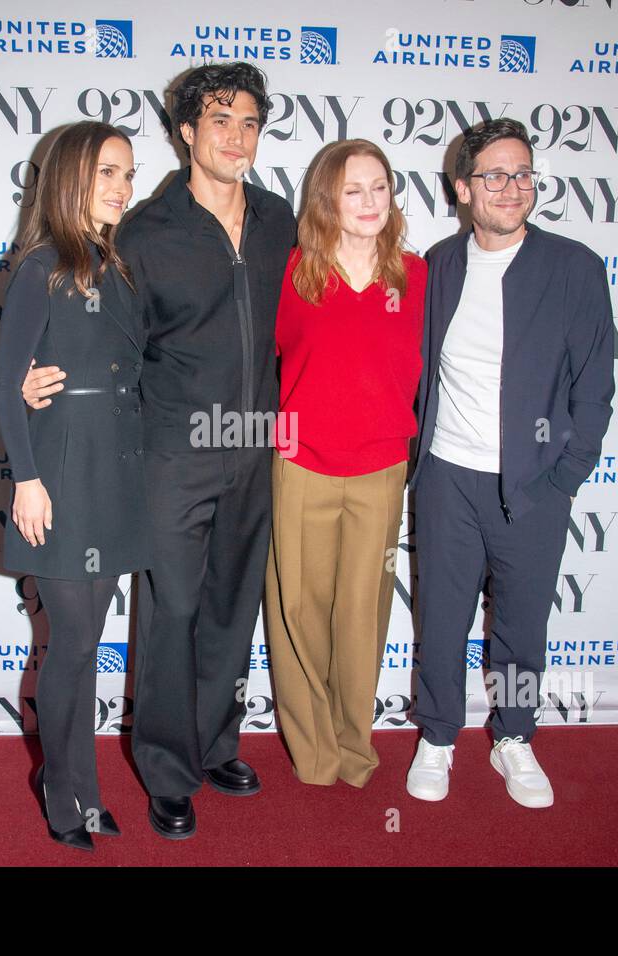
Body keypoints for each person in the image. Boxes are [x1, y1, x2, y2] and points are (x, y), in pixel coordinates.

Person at [21, 63, 297, 839]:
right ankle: (168, 771)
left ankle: (214, 746)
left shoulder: (280, 220)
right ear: (186, 131)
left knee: (231, 609)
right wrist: (42, 375)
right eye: (219, 121)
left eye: (248, 122)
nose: (236, 137)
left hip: (257, 443)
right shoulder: (144, 230)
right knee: (172, 611)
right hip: (173, 450)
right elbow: (102, 328)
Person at [406, 118, 614, 808]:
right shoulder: (437, 265)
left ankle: (514, 737)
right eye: (494, 175)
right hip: (445, 477)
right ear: (463, 187)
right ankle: (437, 736)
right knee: (441, 616)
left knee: (522, 622)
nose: (512, 187)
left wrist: (564, 477)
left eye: (522, 173)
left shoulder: (574, 267)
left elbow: (595, 386)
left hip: (533, 483)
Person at [0, 121, 149, 851]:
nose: (121, 187)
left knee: (87, 647)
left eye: (127, 173)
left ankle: (83, 787)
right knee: (73, 641)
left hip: (112, 473)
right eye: (106, 173)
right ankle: (62, 792)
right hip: (58, 474)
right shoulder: (40, 267)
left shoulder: (115, 268)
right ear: (70, 179)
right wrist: (26, 477)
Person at [265, 139, 425, 788]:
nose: (367, 201)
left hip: (382, 470)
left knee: (363, 615)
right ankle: (314, 752)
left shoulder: (417, 276)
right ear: (326, 199)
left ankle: (353, 746)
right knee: (298, 612)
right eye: (352, 189)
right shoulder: (293, 272)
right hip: (301, 467)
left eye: (379, 187)